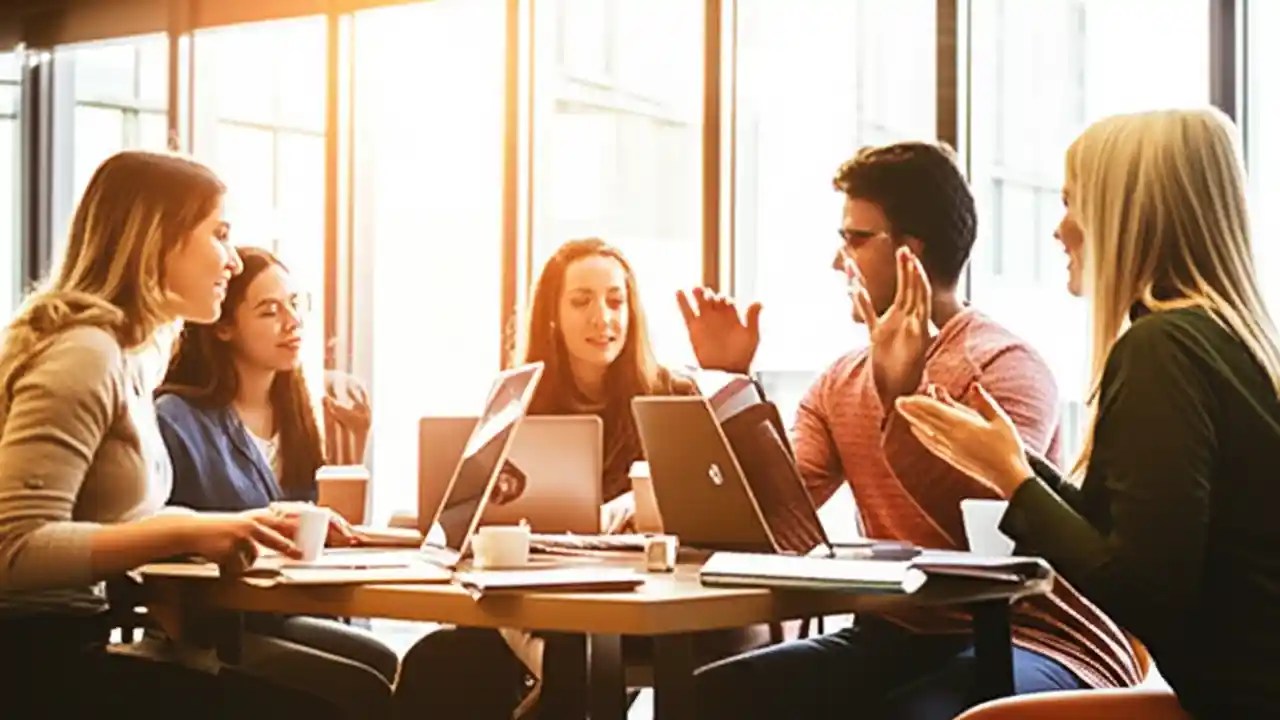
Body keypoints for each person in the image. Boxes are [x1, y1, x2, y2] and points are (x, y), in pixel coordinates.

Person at [681, 141, 1139, 719]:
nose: (836, 261)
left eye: (853, 239)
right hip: (899, 635)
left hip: (1037, 637)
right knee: (705, 699)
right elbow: (784, 529)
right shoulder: (840, 380)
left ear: (910, 255)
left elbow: (986, 529)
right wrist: (732, 388)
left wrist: (900, 395)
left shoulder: (1005, 364)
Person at [895, 108, 1280, 719]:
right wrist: (1013, 465)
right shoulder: (1230, 344)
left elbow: (1140, 589)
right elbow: (1131, 538)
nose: (1060, 229)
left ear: (1127, 213)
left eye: (1073, 202)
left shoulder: (1162, 351)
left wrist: (1014, 480)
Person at [0, 150, 381, 719]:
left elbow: (101, 523)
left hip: (70, 644)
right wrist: (185, 530)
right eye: (219, 234)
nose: (231, 260)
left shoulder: (122, 354)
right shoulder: (85, 354)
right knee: (336, 703)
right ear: (157, 240)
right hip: (38, 663)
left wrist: (226, 524)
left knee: (359, 687)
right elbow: (13, 550)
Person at [395, 238, 761, 719]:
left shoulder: (675, 395)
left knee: (573, 660)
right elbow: (473, 523)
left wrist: (733, 377)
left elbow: (741, 499)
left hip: (650, 605)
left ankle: (548, 674)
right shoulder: (519, 403)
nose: (602, 318)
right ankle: (543, 668)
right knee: (434, 662)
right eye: (581, 301)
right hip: (541, 608)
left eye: (615, 300)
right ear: (553, 314)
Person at [155, 245, 399, 689]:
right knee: (360, 682)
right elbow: (157, 537)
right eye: (269, 311)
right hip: (218, 627)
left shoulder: (301, 417)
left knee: (384, 661)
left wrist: (352, 450)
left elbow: (325, 534)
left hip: (286, 612)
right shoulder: (177, 419)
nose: (292, 322)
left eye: (294, 304)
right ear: (224, 326)